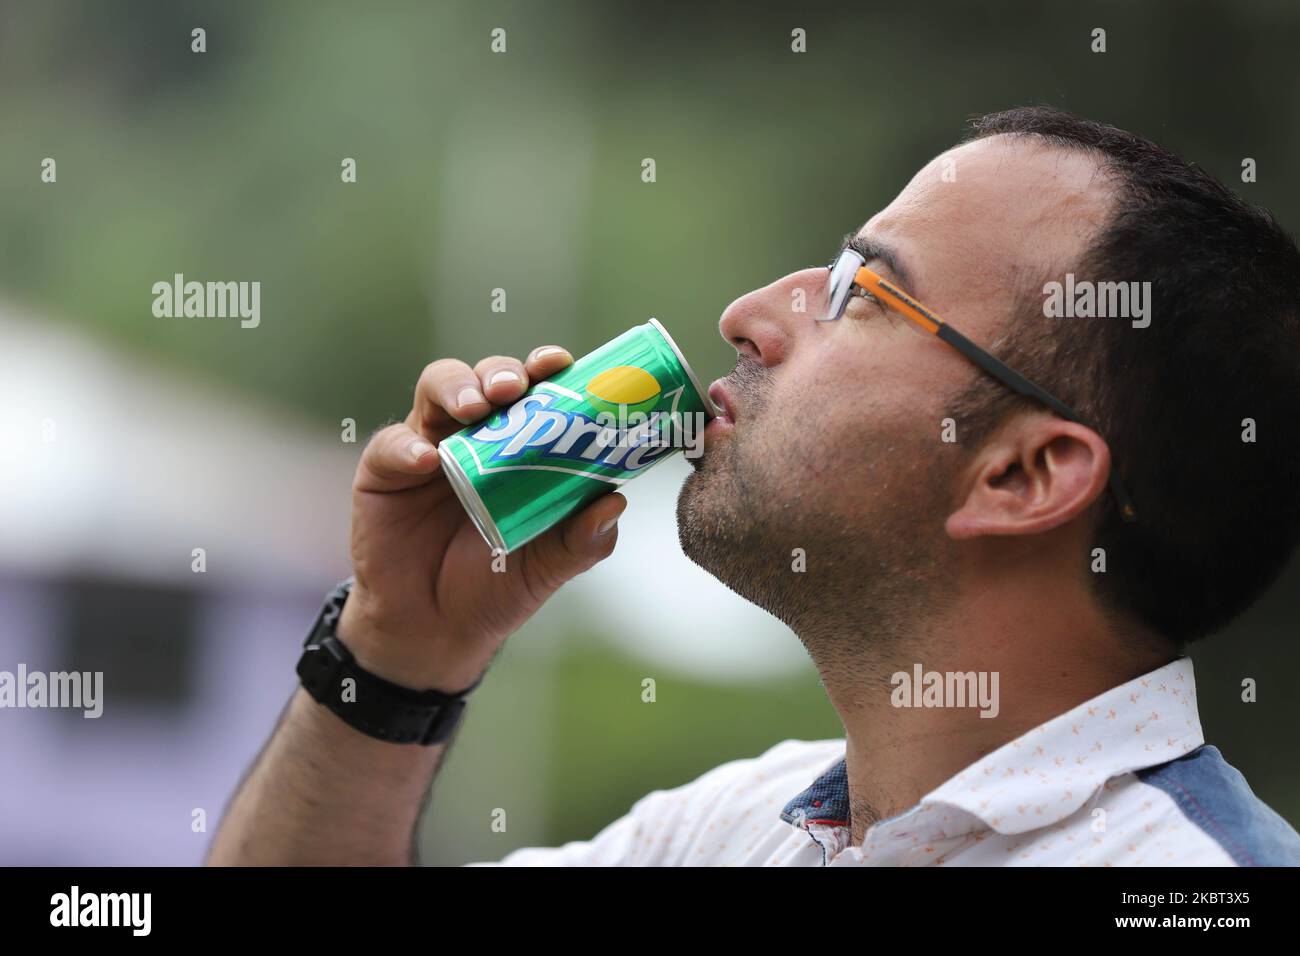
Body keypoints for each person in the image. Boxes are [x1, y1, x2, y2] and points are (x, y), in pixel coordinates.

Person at [208, 107, 1300, 866]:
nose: (745, 315)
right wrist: (396, 653)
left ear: (1025, 473)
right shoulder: (736, 827)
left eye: (858, 290)